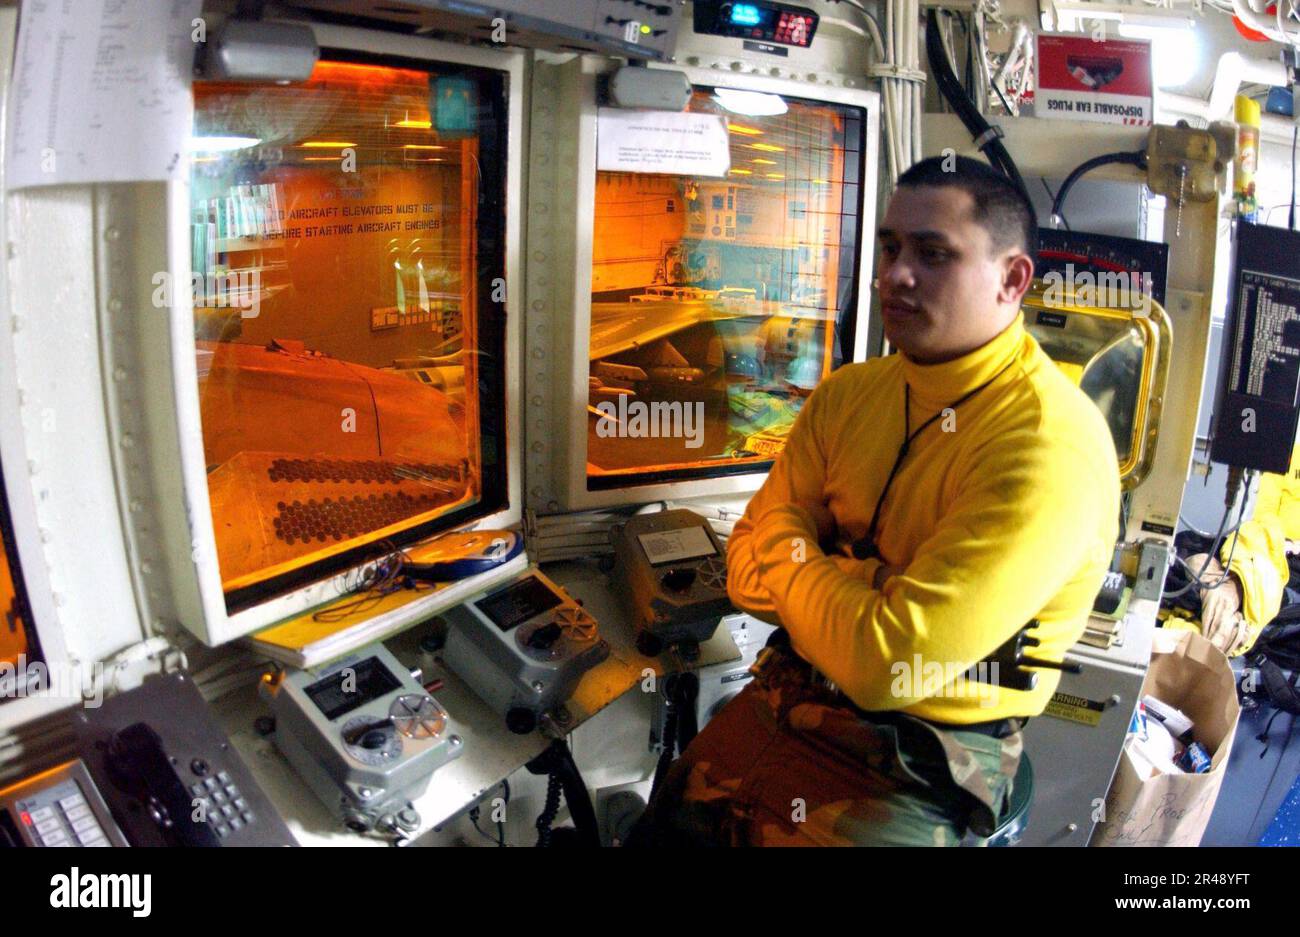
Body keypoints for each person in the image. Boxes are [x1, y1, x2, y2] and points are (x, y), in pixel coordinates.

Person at [629, 156, 1121, 847]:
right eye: (890, 247)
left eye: (932, 253)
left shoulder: (1046, 443)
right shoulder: (849, 394)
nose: (895, 275)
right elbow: (743, 572)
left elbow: (887, 662)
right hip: (785, 694)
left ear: (1012, 279)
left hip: (923, 759)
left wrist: (800, 549)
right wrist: (867, 582)